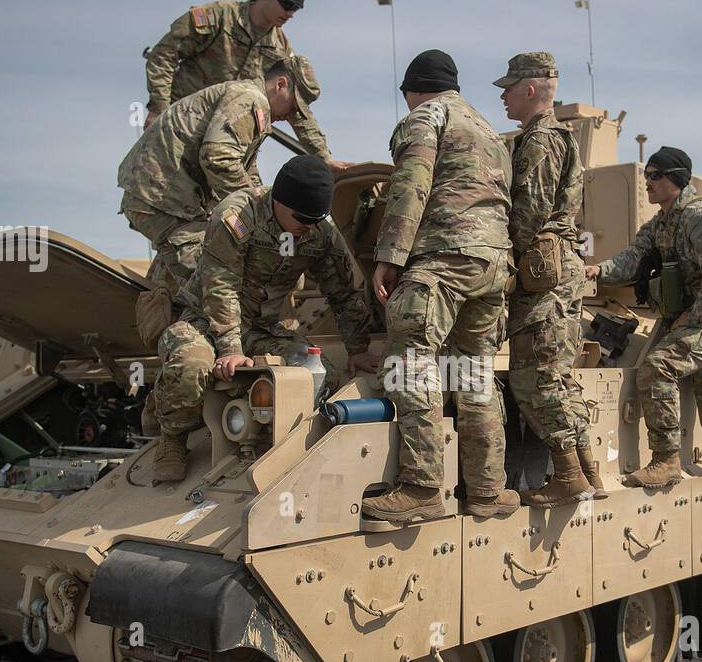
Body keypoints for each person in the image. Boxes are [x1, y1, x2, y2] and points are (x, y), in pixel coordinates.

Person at [361, 50, 520, 524]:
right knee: (472, 370)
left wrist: (389, 257)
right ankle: (488, 491)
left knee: (409, 357)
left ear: (412, 89)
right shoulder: (489, 130)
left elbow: (411, 185)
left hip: (446, 257)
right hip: (493, 264)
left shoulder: (425, 117)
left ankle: (422, 487)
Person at [152, 155, 377, 483]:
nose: (310, 227)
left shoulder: (320, 234)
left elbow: (343, 293)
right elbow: (220, 283)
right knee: (190, 369)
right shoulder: (238, 216)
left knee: (320, 375)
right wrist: (229, 347)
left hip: (262, 328)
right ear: (278, 202)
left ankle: (272, 442)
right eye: (303, 217)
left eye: (318, 218)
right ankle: (172, 434)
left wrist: (357, 349)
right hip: (205, 321)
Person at [585, 146, 702, 526]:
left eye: (654, 176)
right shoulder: (661, 222)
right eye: (645, 176)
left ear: (675, 179)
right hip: (700, 319)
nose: (647, 183)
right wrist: (598, 271)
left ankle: (666, 461)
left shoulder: (698, 216)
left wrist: (690, 319)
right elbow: (633, 257)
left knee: (657, 367)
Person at [495, 51, 603, 507]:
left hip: (542, 271)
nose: (502, 95)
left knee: (532, 376)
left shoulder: (541, 140)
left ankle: (568, 476)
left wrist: (498, 263)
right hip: (557, 269)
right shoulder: (554, 137)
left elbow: (528, 215)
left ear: (531, 89)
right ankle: (586, 471)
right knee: (557, 378)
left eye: (508, 87)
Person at [118, 56, 319, 298]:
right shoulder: (250, 99)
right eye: (294, 105)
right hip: (164, 199)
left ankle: (146, 322)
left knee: (178, 277)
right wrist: (258, 213)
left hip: (171, 199)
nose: (290, 115)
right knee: (218, 277)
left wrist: (267, 207)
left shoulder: (251, 103)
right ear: (280, 85)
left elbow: (245, 168)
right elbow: (218, 157)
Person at [142, 0, 346, 170]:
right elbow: (164, 54)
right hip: (181, 126)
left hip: (225, 141)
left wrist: (323, 156)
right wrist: (159, 108)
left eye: (295, 8)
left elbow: (296, 105)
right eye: (286, 4)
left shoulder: (280, 50)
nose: (290, 13)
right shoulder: (220, 17)